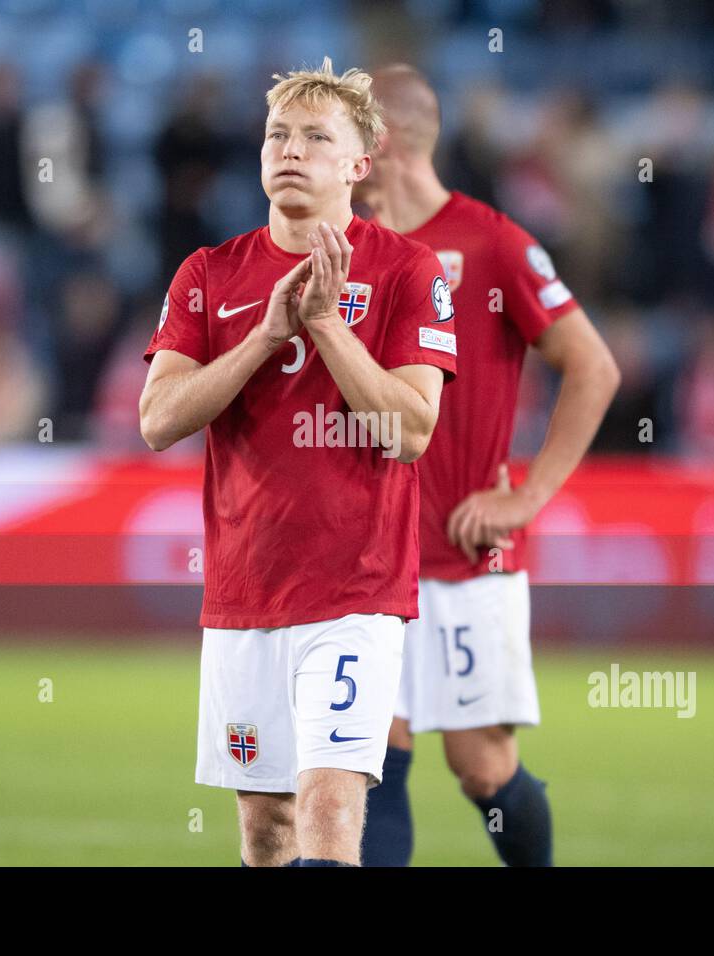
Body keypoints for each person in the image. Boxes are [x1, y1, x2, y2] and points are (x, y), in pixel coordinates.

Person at [138, 58, 457, 867]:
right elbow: (157, 419)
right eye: (278, 133)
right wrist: (264, 336)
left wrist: (326, 326)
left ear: (359, 164)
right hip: (244, 591)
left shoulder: (408, 271)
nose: (290, 149)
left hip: (357, 589)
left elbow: (412, 429)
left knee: (327, 804)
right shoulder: (208, 275)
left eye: (317, 137)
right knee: (266, 828)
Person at [354, 64, 619, 867]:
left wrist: (530, 494)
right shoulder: (347, 249)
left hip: (467, 549)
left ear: (381, 141)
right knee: (371, 760)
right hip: (369, 553)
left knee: (481, 767)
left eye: (341, 133)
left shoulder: (493, 242)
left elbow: (593, 367)